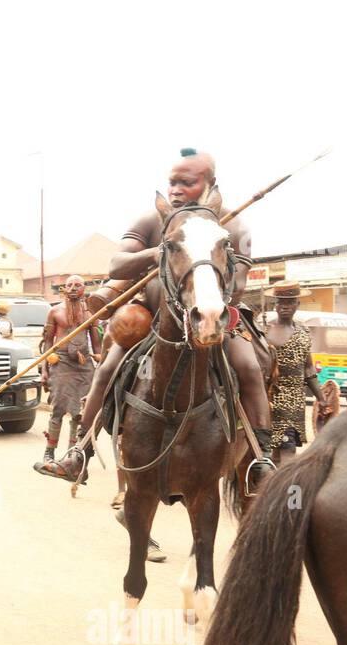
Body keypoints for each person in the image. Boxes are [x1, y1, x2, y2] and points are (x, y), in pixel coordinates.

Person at [58, 149, 273, 485]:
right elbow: (117, 265)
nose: (175, 190)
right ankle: (79, 452)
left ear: (209, 183)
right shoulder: (151, 220)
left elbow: (240, 283)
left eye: (186, 183)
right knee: (108, 369)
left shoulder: (233, 223)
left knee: (249, 367)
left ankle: (261, 458)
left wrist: (205, 291)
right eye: (172, 182)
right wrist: (165, 249)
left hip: (212, 314)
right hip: (153, 318)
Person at [34, 275, 99, 475]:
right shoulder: (55, 311)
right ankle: (49, 453)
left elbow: (97, 345)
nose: (72, 288)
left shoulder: (91, 313)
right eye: (69, 284)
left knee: (80, 412)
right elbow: (47, 343)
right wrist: (45, 369)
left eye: (77, 285)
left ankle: (72, 454)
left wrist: (101, 361)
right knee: (59, 409)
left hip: (83, 364)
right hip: (60, 363)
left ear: (83, 289)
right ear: (64, 288)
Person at [263, 284, 332, 465]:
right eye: (280, 302)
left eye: (290, 302)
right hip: (269, 398)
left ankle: (283, 487)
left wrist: (321, 398)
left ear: (297, 304)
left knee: (288, 446)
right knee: (274, 449)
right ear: (275, 305)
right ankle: (279, 486)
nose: (285, 306)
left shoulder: (303, 332)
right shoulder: (264, 331)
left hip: (294, 399)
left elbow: (308, 369)